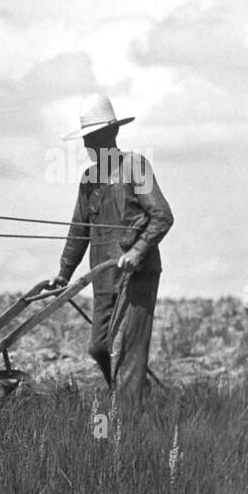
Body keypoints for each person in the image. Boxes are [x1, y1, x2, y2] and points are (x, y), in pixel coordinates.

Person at [50, 94, 174, 399]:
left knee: (125, 351)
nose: (89, 146)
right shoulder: (89, 179)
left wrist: (138, 250)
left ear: (112, 134)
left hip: (136, 275)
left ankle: (127, 419)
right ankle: (133, 397)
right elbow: (79, 230)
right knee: (99, 347)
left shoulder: (135, 166)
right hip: (103, 276)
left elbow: (162, 215)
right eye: (86, 140)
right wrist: (64, 273)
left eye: (94, 138)